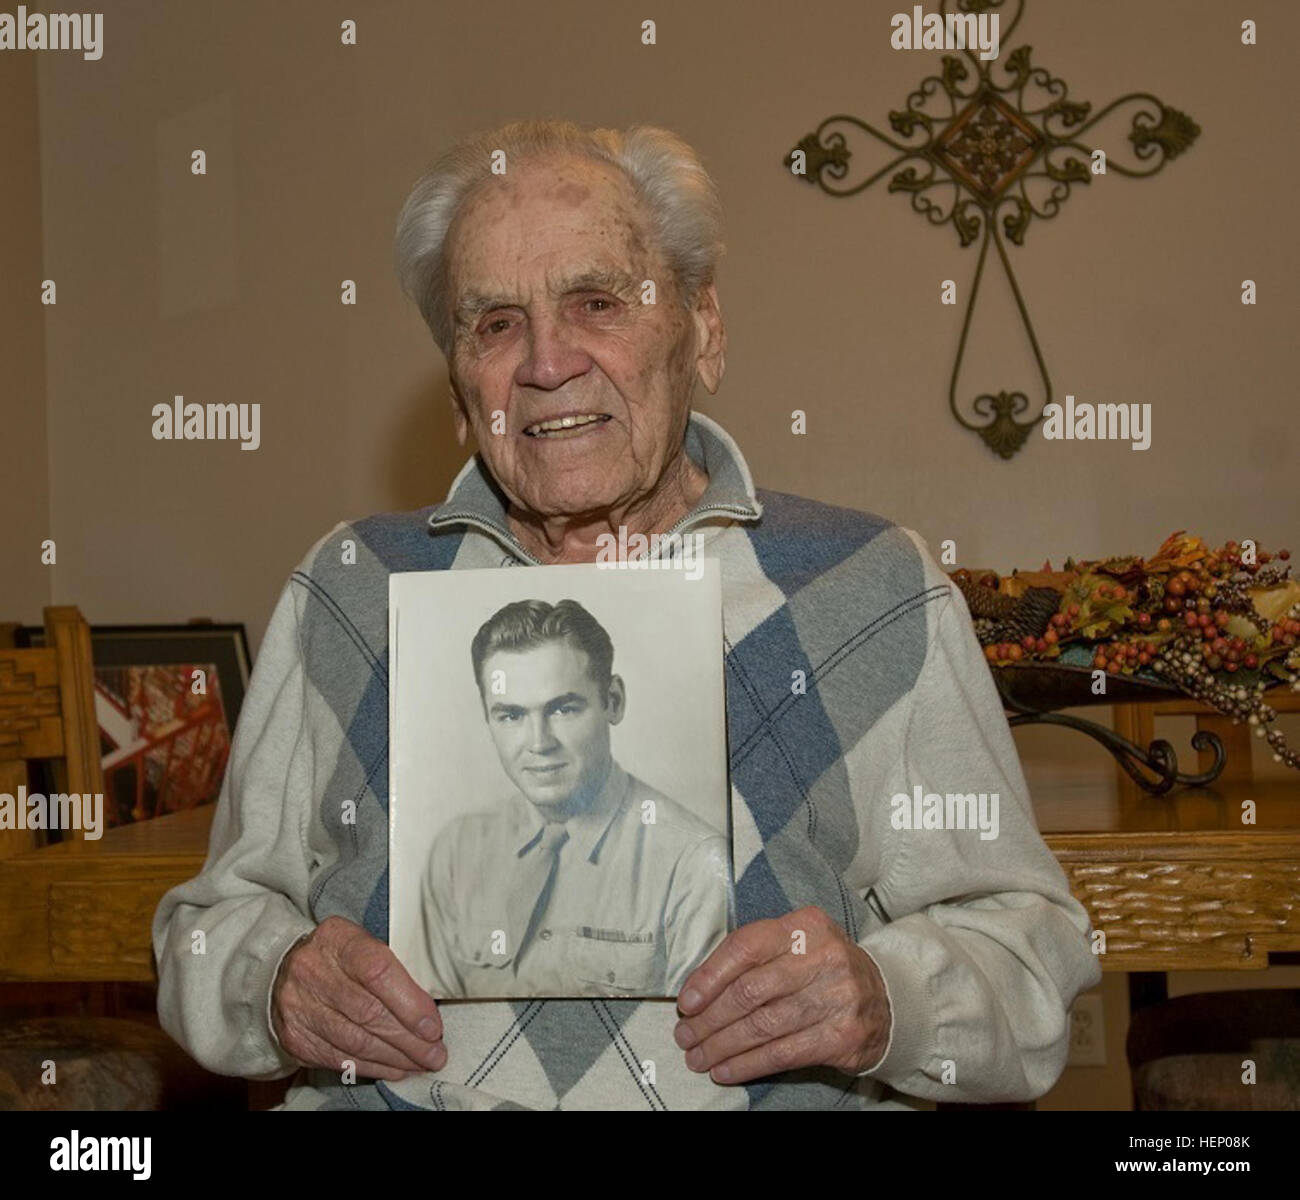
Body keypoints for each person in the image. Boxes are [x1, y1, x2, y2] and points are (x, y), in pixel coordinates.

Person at [153, 118, 1101, 1111]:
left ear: (703, 330)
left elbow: (1032, 956)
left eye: (596, 301)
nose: (547, 361)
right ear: (457, 387)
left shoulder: (868, 587)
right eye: (494, 323)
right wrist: (270, 984)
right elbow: (202, 930)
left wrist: (887, 999)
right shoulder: (348, 589)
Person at [415, 598, 728, 999]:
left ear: (612, 701)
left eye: (563, 709)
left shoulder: (695, 866)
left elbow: (694, 1046)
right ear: (487, 716)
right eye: (510, 715)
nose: (539, 743)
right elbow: (428, 1031)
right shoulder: (455, 852)